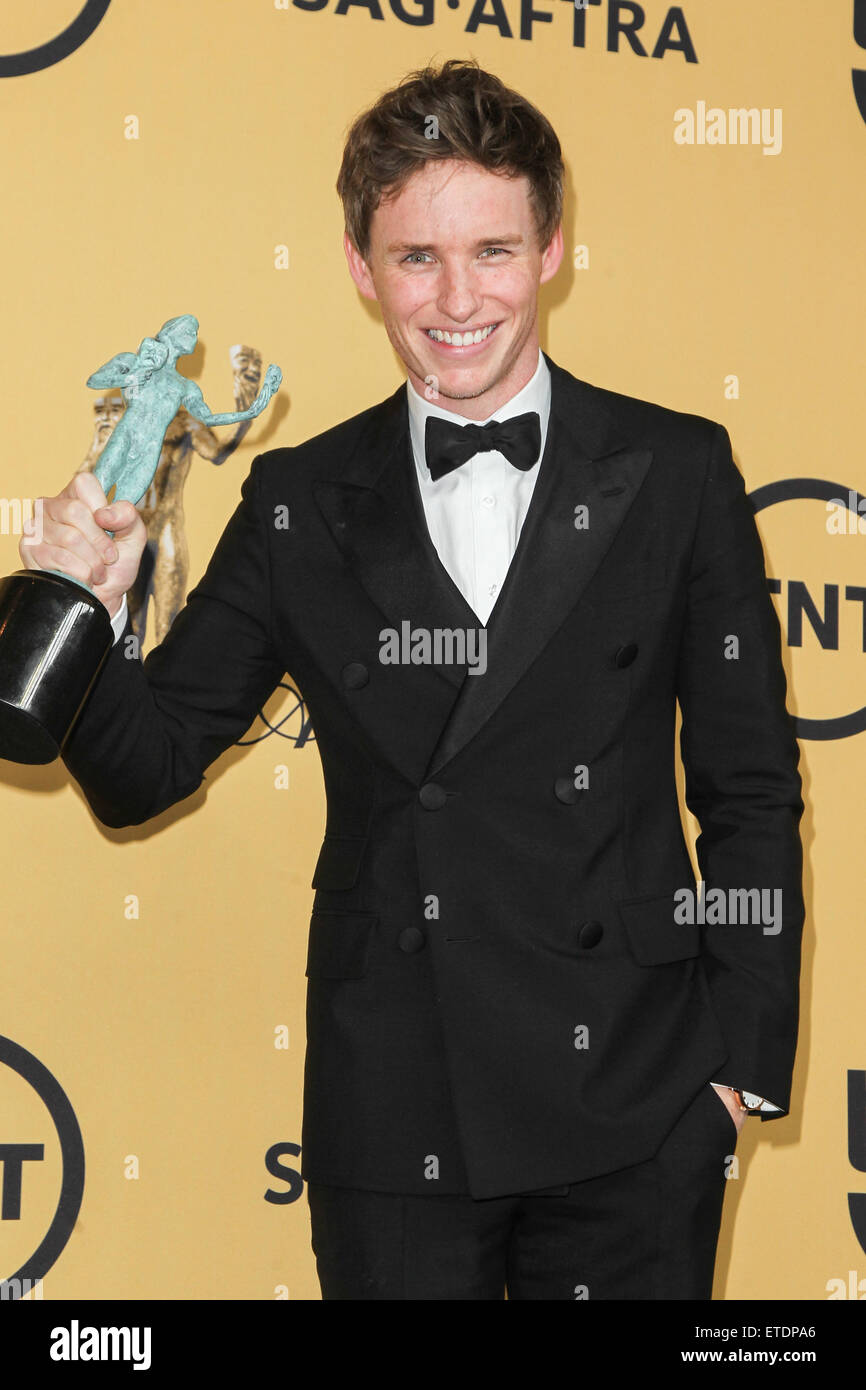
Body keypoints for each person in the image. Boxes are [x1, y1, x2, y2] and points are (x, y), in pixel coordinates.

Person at [20, 58, 804, 1300]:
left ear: (550, 248)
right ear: (357, 266)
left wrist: (734, 1070)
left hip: (640, 1103)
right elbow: (141, 769)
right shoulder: (295, 500)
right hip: (396, 1099)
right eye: (415, 258)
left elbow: (749, 789)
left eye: (491, 250)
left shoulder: (676, 468)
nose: (456, 298)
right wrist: (83, 605)